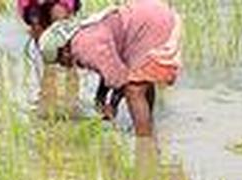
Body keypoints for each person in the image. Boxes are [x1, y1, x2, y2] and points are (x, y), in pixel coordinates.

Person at [39, 0, 183, 137]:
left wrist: (112, 105)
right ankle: (147, 126)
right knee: (143, 79)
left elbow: (121, 79)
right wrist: (100, 98)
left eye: (59, 60)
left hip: (153, 24)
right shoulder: (81, 36)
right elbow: (108, 66)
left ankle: (144, 141)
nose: (62, 65)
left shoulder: (83, 48)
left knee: (134, 90)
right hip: (155, 15)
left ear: (64, 49)